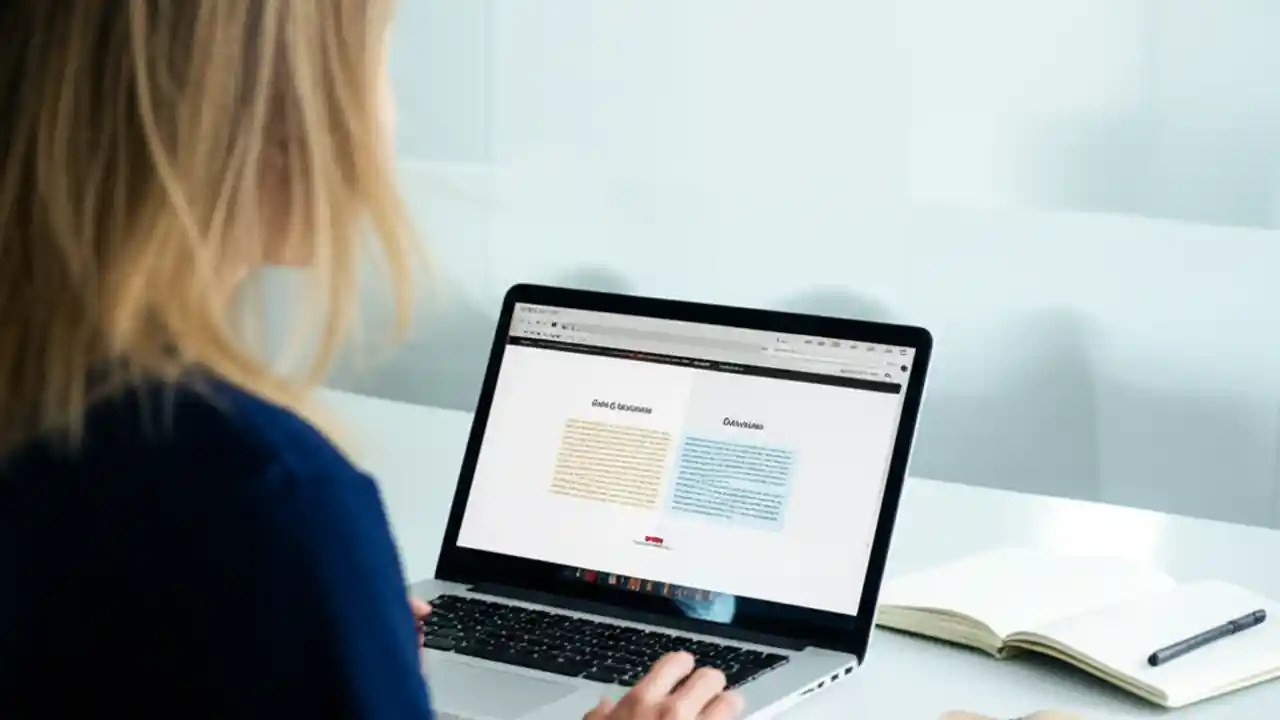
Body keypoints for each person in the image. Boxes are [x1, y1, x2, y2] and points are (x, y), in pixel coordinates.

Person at [0, 2, 742, 719]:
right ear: (277, 113)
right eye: (377, 58)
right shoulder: (267, 498)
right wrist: (328, 622)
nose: (392, 115)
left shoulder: (52, 416)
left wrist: (345, 652)